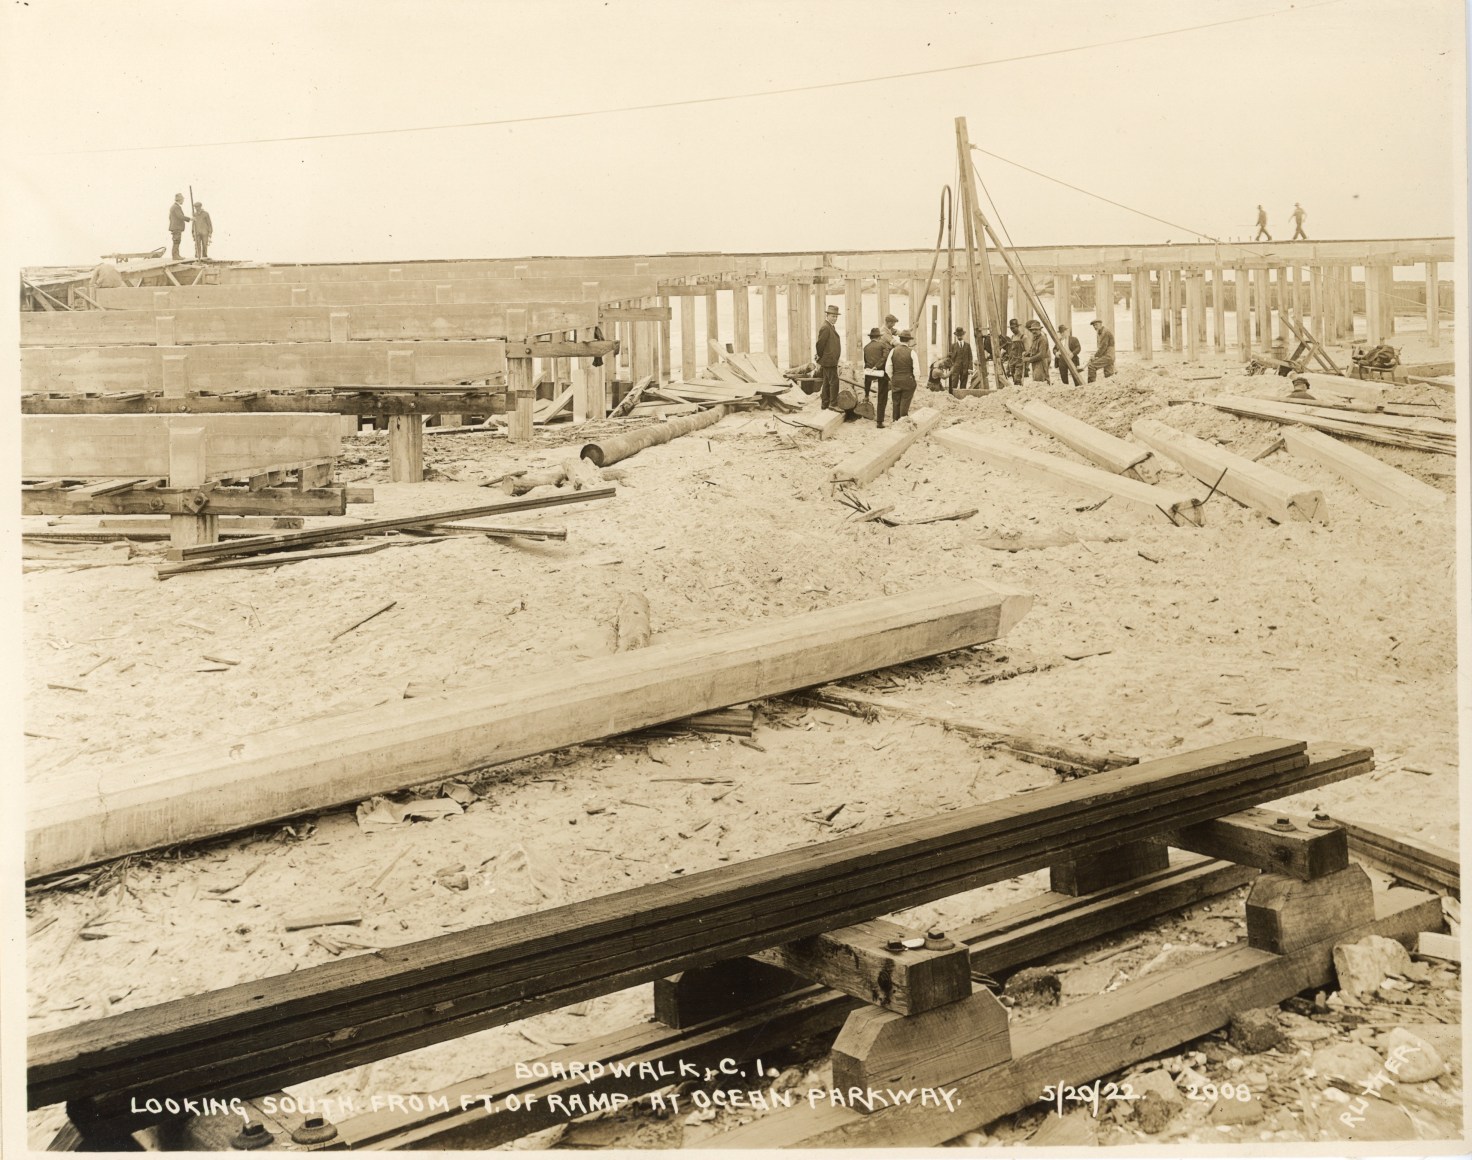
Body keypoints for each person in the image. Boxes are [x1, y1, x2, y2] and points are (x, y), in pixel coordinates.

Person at [883, 330, 920, 422]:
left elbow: (888, 367)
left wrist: (892, 377)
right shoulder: (912, 352)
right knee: (905, 401)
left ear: (900, 339)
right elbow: (916, 369)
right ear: (909, 341)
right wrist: (916, 380)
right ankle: (903, 420)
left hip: (896, 379)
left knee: (896, 401)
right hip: (908, 379)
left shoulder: (893, 351)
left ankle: (895, 420)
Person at [814, 303, 842, 410]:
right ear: (827, 316)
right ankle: (833, 404)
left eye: (836, 316)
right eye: (832, 316)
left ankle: (824, 404)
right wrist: (820, 356)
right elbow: (820, 344)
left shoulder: (829, 326)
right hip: (828, 360)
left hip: (828, 360)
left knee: (826, 382)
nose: (834, 318)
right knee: (834, 381)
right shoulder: (826, 327)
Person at [862, 326, 890, 423]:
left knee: (867, 379)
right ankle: (880, 421)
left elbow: (866, 362)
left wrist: (871, 368)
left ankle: (866, 395)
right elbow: (884, 358)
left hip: (869, 372)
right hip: (881, 372)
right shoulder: (883, 346)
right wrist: (877, 366)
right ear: (879, 337)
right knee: (882, 396)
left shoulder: (866, 347)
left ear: (871, 337)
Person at [948, 326, 973, 392]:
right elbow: (950, 358)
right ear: (956, 336)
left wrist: (970, 368)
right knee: (954, 383)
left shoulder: (967, 345)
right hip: (956, 367)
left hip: (965, 367)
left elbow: (970, 357)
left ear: (963, 335)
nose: (959, 337)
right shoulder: (953, 346)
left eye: (961, 335)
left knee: (963, 383)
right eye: (958, 335)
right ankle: (953, 396)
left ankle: (962, 396)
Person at [168, 193, 191, 260]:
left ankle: (176, 255)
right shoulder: (176, 207)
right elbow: (180, 216)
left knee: (177, 241)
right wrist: (190, 219)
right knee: (177, 241)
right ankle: (175, 256)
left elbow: (170, 217)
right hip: (177, 228)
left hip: (175, 227)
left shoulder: (173, 207)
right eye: (182, 200)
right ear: (180, 200)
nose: (183, 201)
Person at [1004, 319, 1025, 385]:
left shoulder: (1023, 337)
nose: (1012, 330)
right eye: (1011, 328)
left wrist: (1026, 364)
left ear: (1017, 327)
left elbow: (1028, 351)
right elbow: (1010, 351)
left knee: (1017, 379)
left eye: (1013, 328)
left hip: (1019, 361)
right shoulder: (1012, 338)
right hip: (1012, 361)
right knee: (1014, 379)